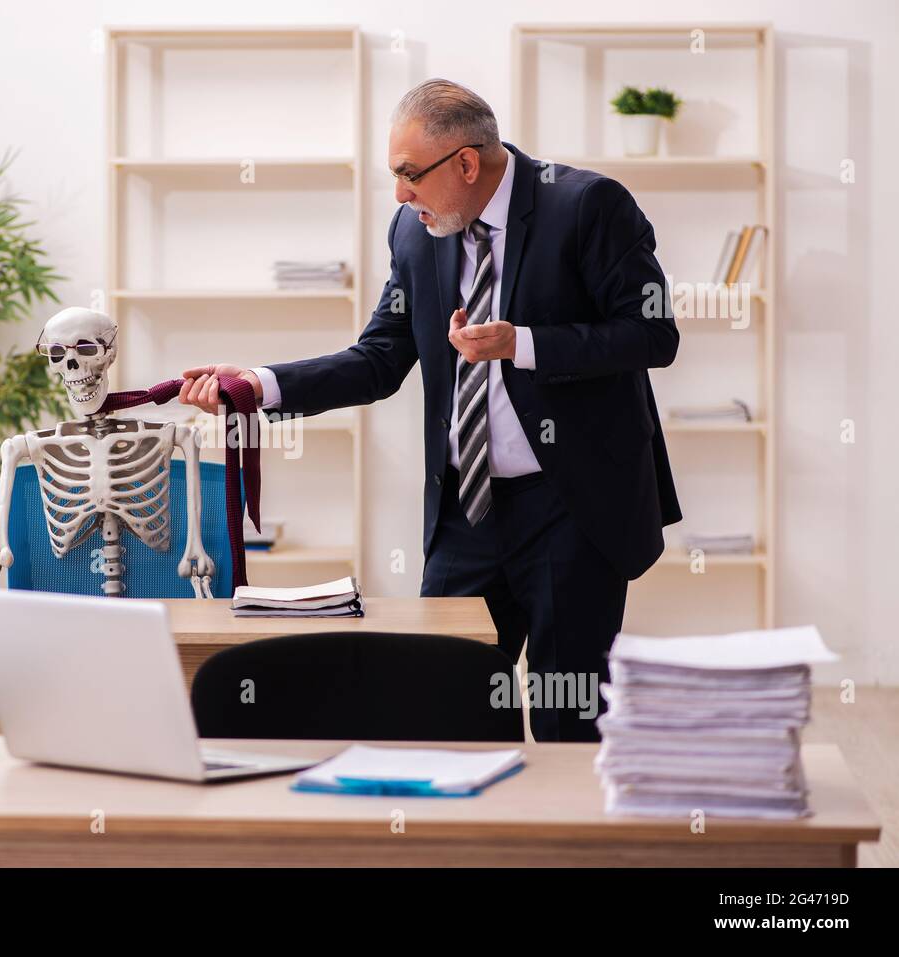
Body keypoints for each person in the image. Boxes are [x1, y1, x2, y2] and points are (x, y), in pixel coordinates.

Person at [179, 78, 681, 741]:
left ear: (466, 163)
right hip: (465, 515)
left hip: (573, 509)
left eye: (409, 174)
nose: (400, 194)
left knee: (568, 721)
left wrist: (521, 344)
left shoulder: (586, 206)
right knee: (437, 708)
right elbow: (379, 359)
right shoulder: (415, 234)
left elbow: (654, 334)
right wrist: (258, 384)